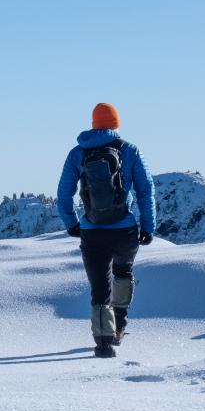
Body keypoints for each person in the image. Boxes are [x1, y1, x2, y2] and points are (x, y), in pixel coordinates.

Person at [56, 102, 156, 358]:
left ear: (93, 123)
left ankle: (103, 344)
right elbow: (145, 190)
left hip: (92, 231)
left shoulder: (77, 153)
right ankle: (119, 326)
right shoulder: (129, 150)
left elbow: (64, 193)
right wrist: (148, 226)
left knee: (100, 288)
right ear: (116, 124)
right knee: (123, 272)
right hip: (125, 230)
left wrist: (71, 223)